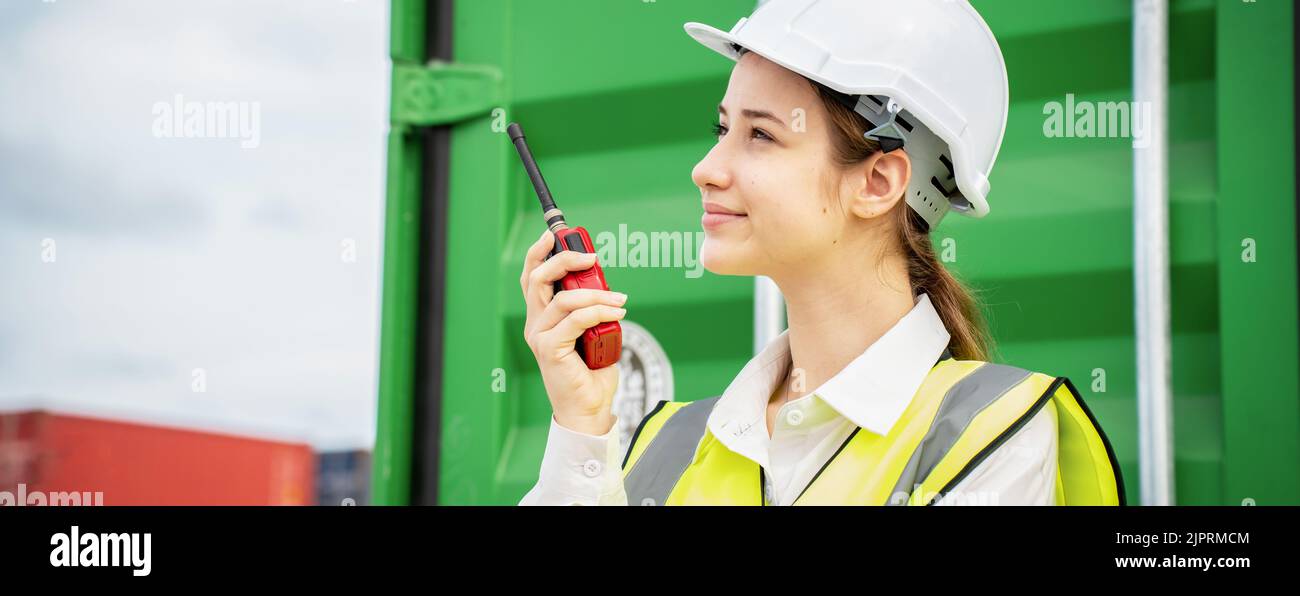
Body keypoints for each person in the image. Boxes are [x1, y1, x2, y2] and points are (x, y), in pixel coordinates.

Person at [518, 0, 1123, 506]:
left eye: (761, 134)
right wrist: (583, 423)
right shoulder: (666, 446)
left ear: (878, 183)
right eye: (721, 129)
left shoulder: (993, 435)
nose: (706, 169)